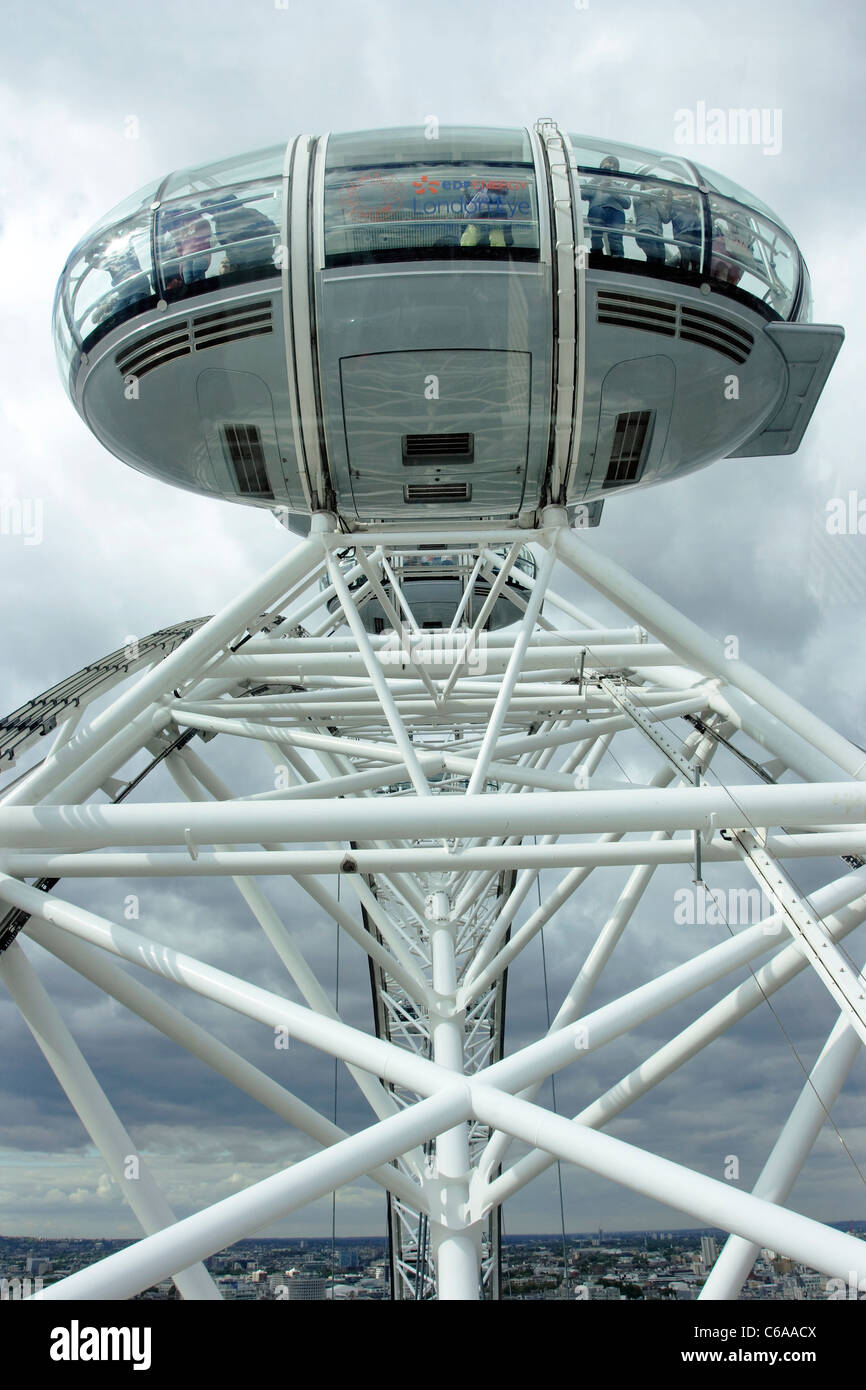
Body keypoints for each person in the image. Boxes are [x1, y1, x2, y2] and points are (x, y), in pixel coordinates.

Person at [200, 191, 279, 274]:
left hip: (243, 264)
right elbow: (273, 230)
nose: (212, 213)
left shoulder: (222, 222)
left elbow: (225, 243)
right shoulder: (253, 212)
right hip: (263, 259)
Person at [581, 155, 631, 258]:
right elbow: (584, 194)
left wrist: (611, 188)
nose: (610, 166)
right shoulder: (594, 182)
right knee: (596, 232)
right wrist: (598, 178)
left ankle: (618, 257)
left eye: (613, 165)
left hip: (616, 212)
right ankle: (597, 252)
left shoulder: (620, 186)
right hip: (597, 209)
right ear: (601, 166)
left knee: (615, 238)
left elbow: (627, 203)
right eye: (607, 163)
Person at [460, 180, 513, 248]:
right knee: (467, 240)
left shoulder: (500, 194)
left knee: (497, 240)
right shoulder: (479, 194)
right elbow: (468, 214)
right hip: (477, 223)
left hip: (495, 224)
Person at [633, 185, 673, 265]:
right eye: (650, 185)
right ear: (644, 186)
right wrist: (663, 189)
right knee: (654, 258)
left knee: (661, 260)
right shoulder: (638, 197)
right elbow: (644, 195)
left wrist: (668, 206)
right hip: (645, 231)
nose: (653, 188)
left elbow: (665, 219)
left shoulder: (657, 202)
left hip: (658, 236)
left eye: (654, 186)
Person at [668, 190, 704, 273]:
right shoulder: (675, 202)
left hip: (693, 234)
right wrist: (688, 196)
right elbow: (673, 199)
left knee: (696, 260)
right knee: (686, 258)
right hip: (682, 234)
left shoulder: (689, 203)